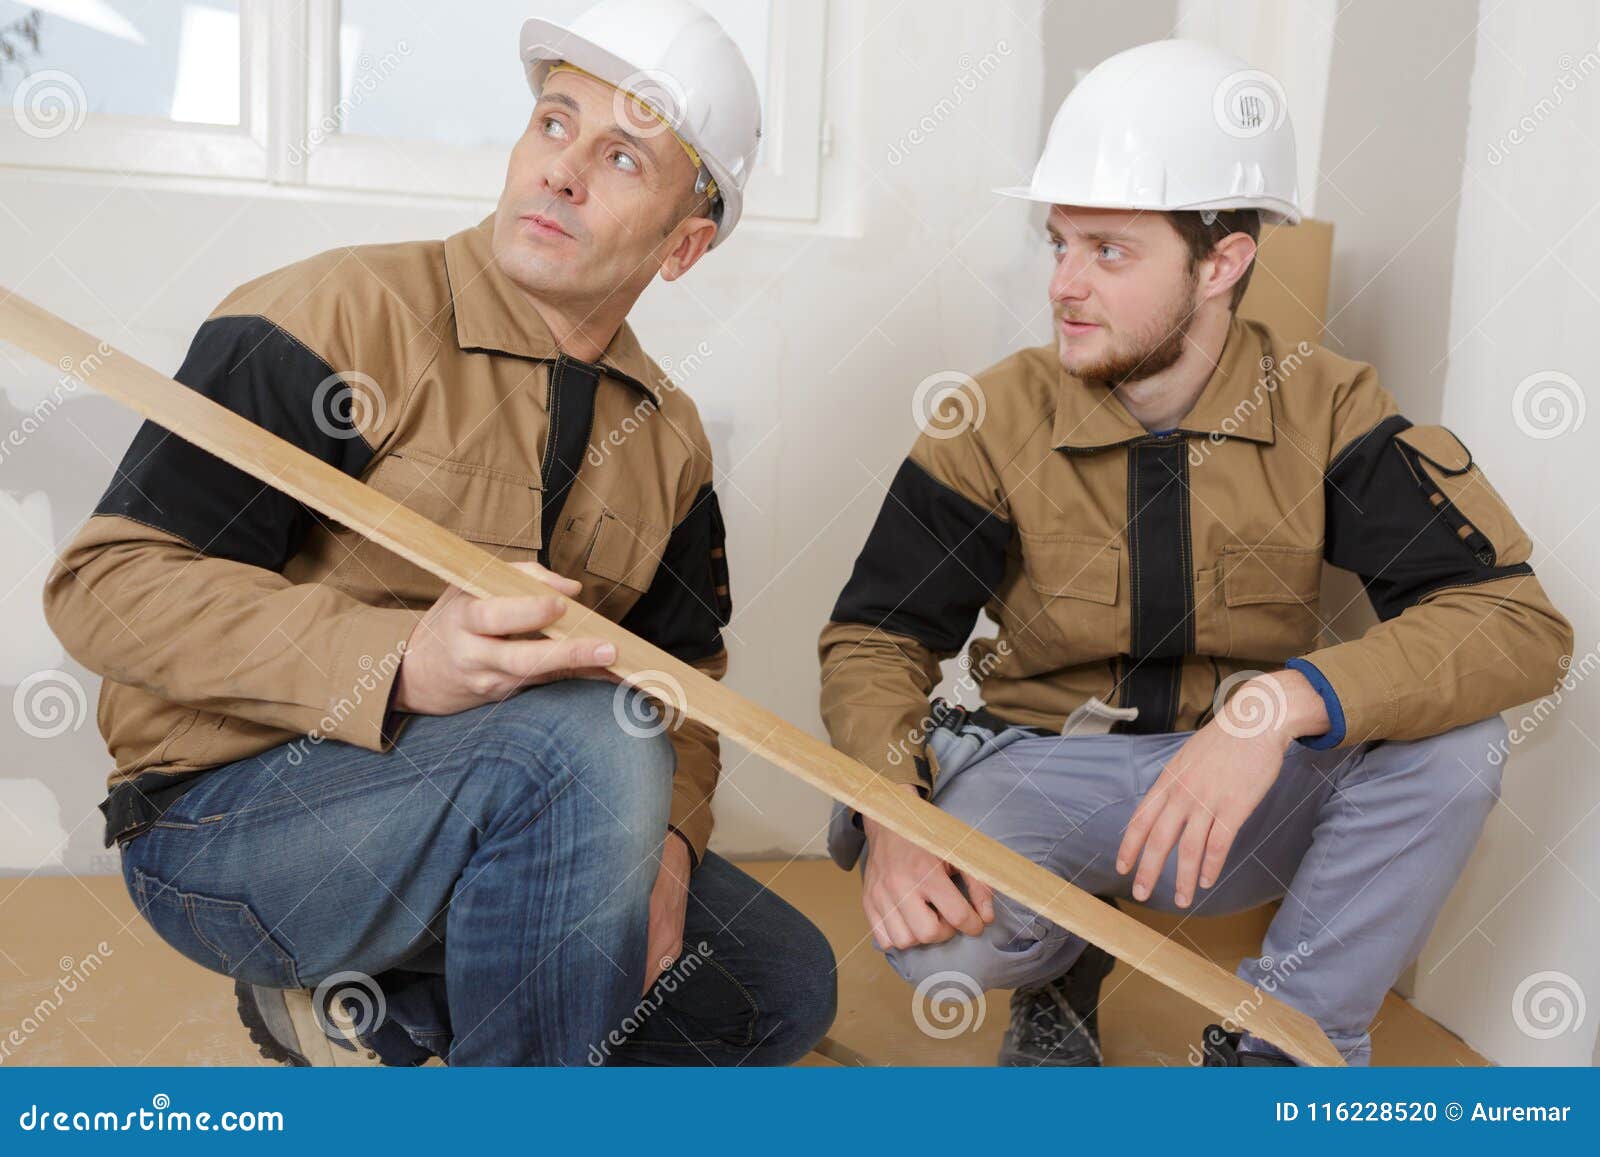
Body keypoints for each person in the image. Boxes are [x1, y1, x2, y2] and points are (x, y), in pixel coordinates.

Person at [45, 0, 835, 1067]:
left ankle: (385, 1016)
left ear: (683, 245)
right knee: (578, 746)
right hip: (227, 825)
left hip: (498, 816)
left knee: (778, 982)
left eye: (620, 156)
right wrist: (400, 659)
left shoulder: (666, 441)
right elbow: (106, 586)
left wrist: (672, 853)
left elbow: (678, 683)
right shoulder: (332, 313)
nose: (561, 171)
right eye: (553, 124)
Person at [817, 38, 1573, 1067]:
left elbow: (1513, 621)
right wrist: (888, 805)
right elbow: (875, 637)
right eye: (1058, 243)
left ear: (1222, 263)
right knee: (946, 949)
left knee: (1457, 744)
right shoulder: (989, 416)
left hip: (1239, 789)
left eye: (1109, 252)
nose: (1063, 286)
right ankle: (1060, 970)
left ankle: (1283, 1041)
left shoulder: (1329, 405)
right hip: (1050, 772)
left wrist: (1276, 705)